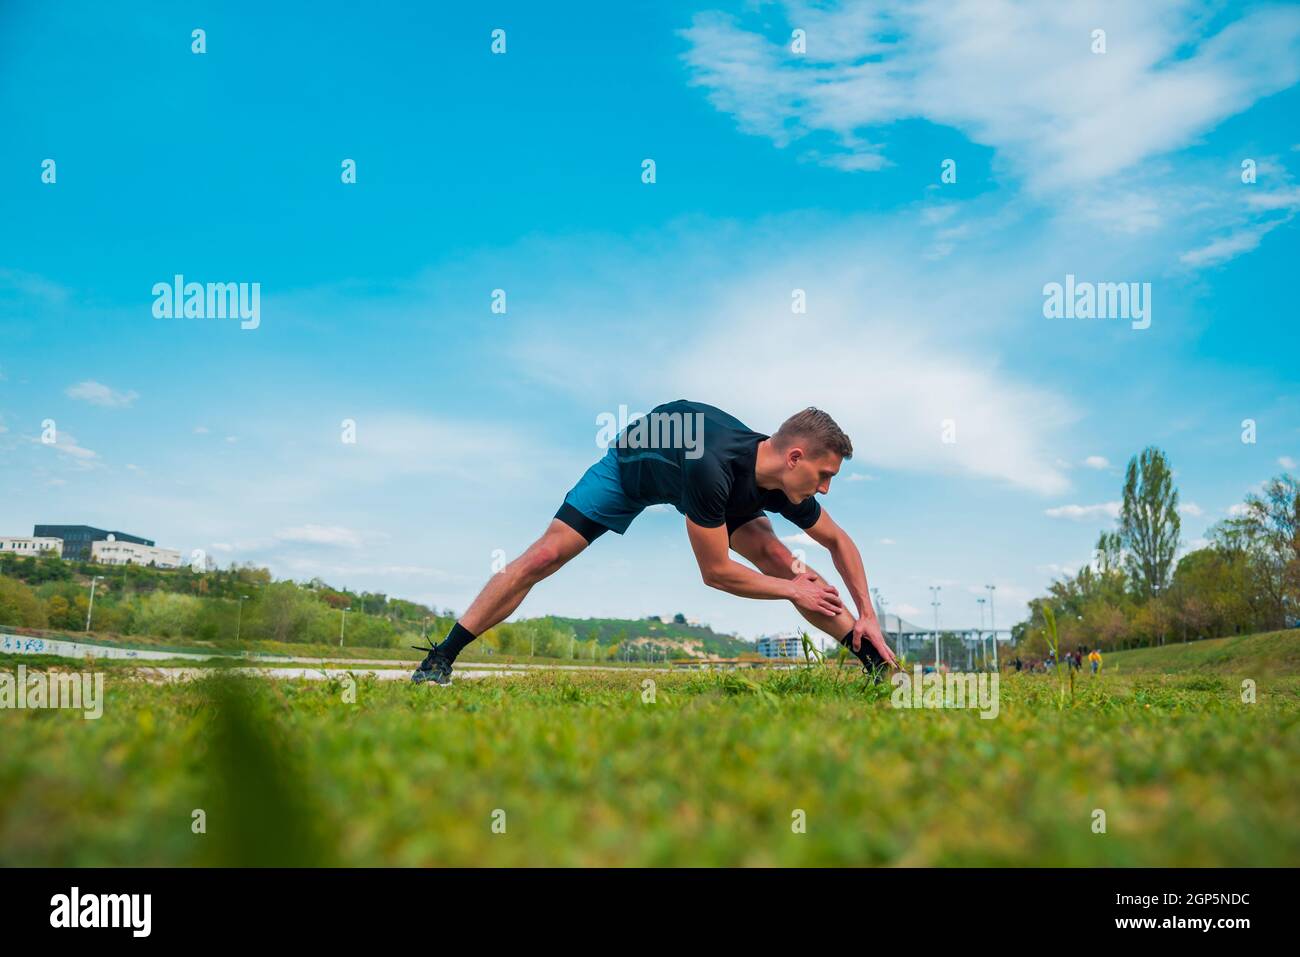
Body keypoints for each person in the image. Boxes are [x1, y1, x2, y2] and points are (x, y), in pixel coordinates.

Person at [411, 401, 897, 684]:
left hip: (714, 480)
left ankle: (877, 666)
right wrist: (793, 590)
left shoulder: (780, 480)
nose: (826, 488)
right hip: (629, 472)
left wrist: (866, 612)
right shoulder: (712, 469)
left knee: (784, 562)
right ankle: (440, 659)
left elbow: (840, 543)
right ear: (795, 457)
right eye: (825, 475)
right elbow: (715, 573)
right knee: (544, 556)